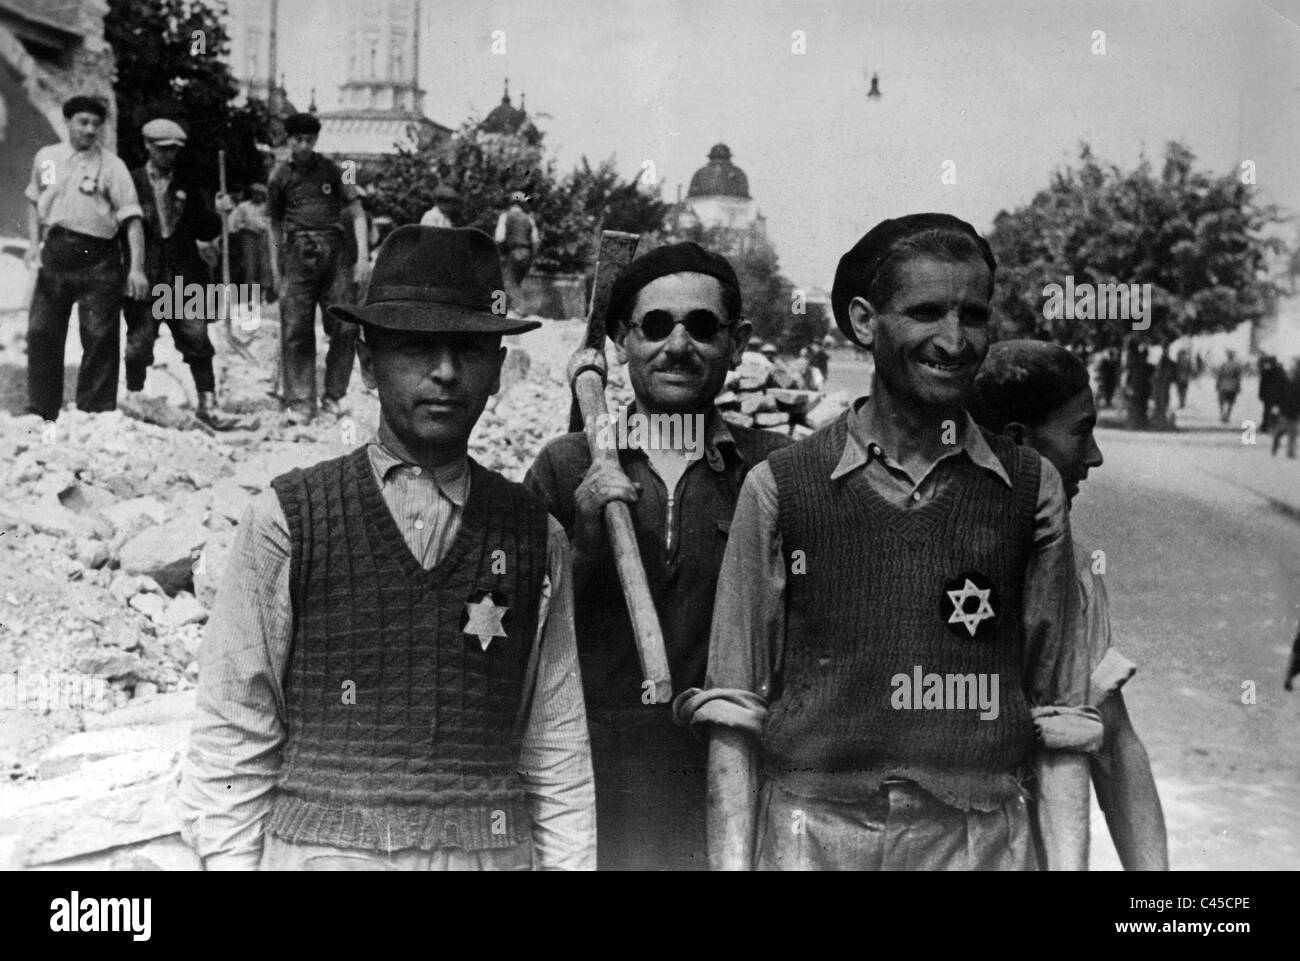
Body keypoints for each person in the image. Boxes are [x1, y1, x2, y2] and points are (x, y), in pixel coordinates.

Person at [678, 213, 1100, 871]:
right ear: (865, 321)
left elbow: (1063, 718)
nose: (954, 339)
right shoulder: (783, 487)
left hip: (980, 843)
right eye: (926, 311)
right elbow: (733, 715)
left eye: (975, 314)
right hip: (813, 838)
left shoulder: (1029, 487)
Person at [178, 225, 595, 870]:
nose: (446, 373)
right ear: (368, 364)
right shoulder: (287, 521)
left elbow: (556, 747)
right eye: (414, 349)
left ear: (498, 371)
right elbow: (232, 735)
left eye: (469, 349)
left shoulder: (535, 536)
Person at [524, 242, 790, 870]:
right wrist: (585, 542)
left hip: (730, 777)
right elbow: (519, 643)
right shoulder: (565, 468)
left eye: (701, 326)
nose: (677, 345)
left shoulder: (776, 471)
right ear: (620, 341)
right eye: (654, 325)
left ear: (737, 342)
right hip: (591, 781)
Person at [969, 340, 1168, 871]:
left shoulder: (1071, 570)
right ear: (1018, 442)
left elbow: (1116, 742)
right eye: (1080, 431)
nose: (1095, 455)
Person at [24, 95, 146, 421]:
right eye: (83, 122)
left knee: (99, 336)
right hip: (56, 254)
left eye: (96, 124)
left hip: (100, 259)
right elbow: (34, 201)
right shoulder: (47, 158)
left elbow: (131, 219)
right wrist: (33, 245)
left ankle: (94, 413)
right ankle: (41, 412)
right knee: (42, 332)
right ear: (69, 123)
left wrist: (136, 269)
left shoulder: (112, 166)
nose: (90, 130)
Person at [122, 118, 241, 431]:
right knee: (139, 343)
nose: (168, 156)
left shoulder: (188, 186)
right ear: (148, 146)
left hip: (183, 278)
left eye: (173, 150)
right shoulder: (129, 182)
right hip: (145, 276)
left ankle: (208, 405)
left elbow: (206, 229)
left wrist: (221, 213)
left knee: (197, 340)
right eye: (162, 149)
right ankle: (135, 399)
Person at [268, 112, 371, 425]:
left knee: (346, 324)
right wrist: (275, 270)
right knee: (296, 328)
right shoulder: (279, 177)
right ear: (288, 141)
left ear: (316, 140)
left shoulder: (334, 170)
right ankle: (300, 400)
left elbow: (356, 211)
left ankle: (333, 396)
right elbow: (272, 225)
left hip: (334, 250)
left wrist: (362, 257)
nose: (303, 146)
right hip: (297, 251)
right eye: (297, 140)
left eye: (309, 140)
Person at [494, 191, 540, 315]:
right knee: (518, 281)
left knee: (509, 281)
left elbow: (499, 238)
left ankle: (515, 310)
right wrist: (533, 257)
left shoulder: (505, 216)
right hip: (526, 252)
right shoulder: (529, 218)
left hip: (513, 252)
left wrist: (500, 253)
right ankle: (517, 309)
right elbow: (535, 240)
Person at [229, 183, 273, 301]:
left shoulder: (267, 208)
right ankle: (246, 298)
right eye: (255, 193)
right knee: (249, 266)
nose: (257, 196)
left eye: (260, 194)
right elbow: (234, 223)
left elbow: (271, 224)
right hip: (248, 237)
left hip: (263, 238)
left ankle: (261, 297)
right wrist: (243, 227)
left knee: (264, 266)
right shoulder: (244, 207)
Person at [1271, 358, 1300, 459]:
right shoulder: (1287, 376)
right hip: (1286, 407)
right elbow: (1280, 391)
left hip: (1294, 408)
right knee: (1283, 429)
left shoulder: (1294, 376)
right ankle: (1277, 441)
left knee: (1293, 430)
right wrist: (1277, 404)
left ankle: (1290, 451)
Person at [1214, 349, 1244, 425]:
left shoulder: (1223, 364)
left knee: (1221, 401)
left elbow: (1219, 376)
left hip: (1223, 386)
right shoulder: (1237, 365)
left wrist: (1217, 385)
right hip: (1233, 386)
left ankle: (1222, 414)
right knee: (1231, 402)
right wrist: (1238, 387)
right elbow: (1238, 377)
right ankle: (1227, 415)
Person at [1258, 355, 1284, 435]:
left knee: (1267, 410)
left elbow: (1262, 384)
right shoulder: (1280, 370)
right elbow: (1283, 383)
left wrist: (1261, 394)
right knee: (1275, 411)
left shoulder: (1265, 371)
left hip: (1268, 395)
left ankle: (1265, 426)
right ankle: (1272, 426)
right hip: (1276, 395)